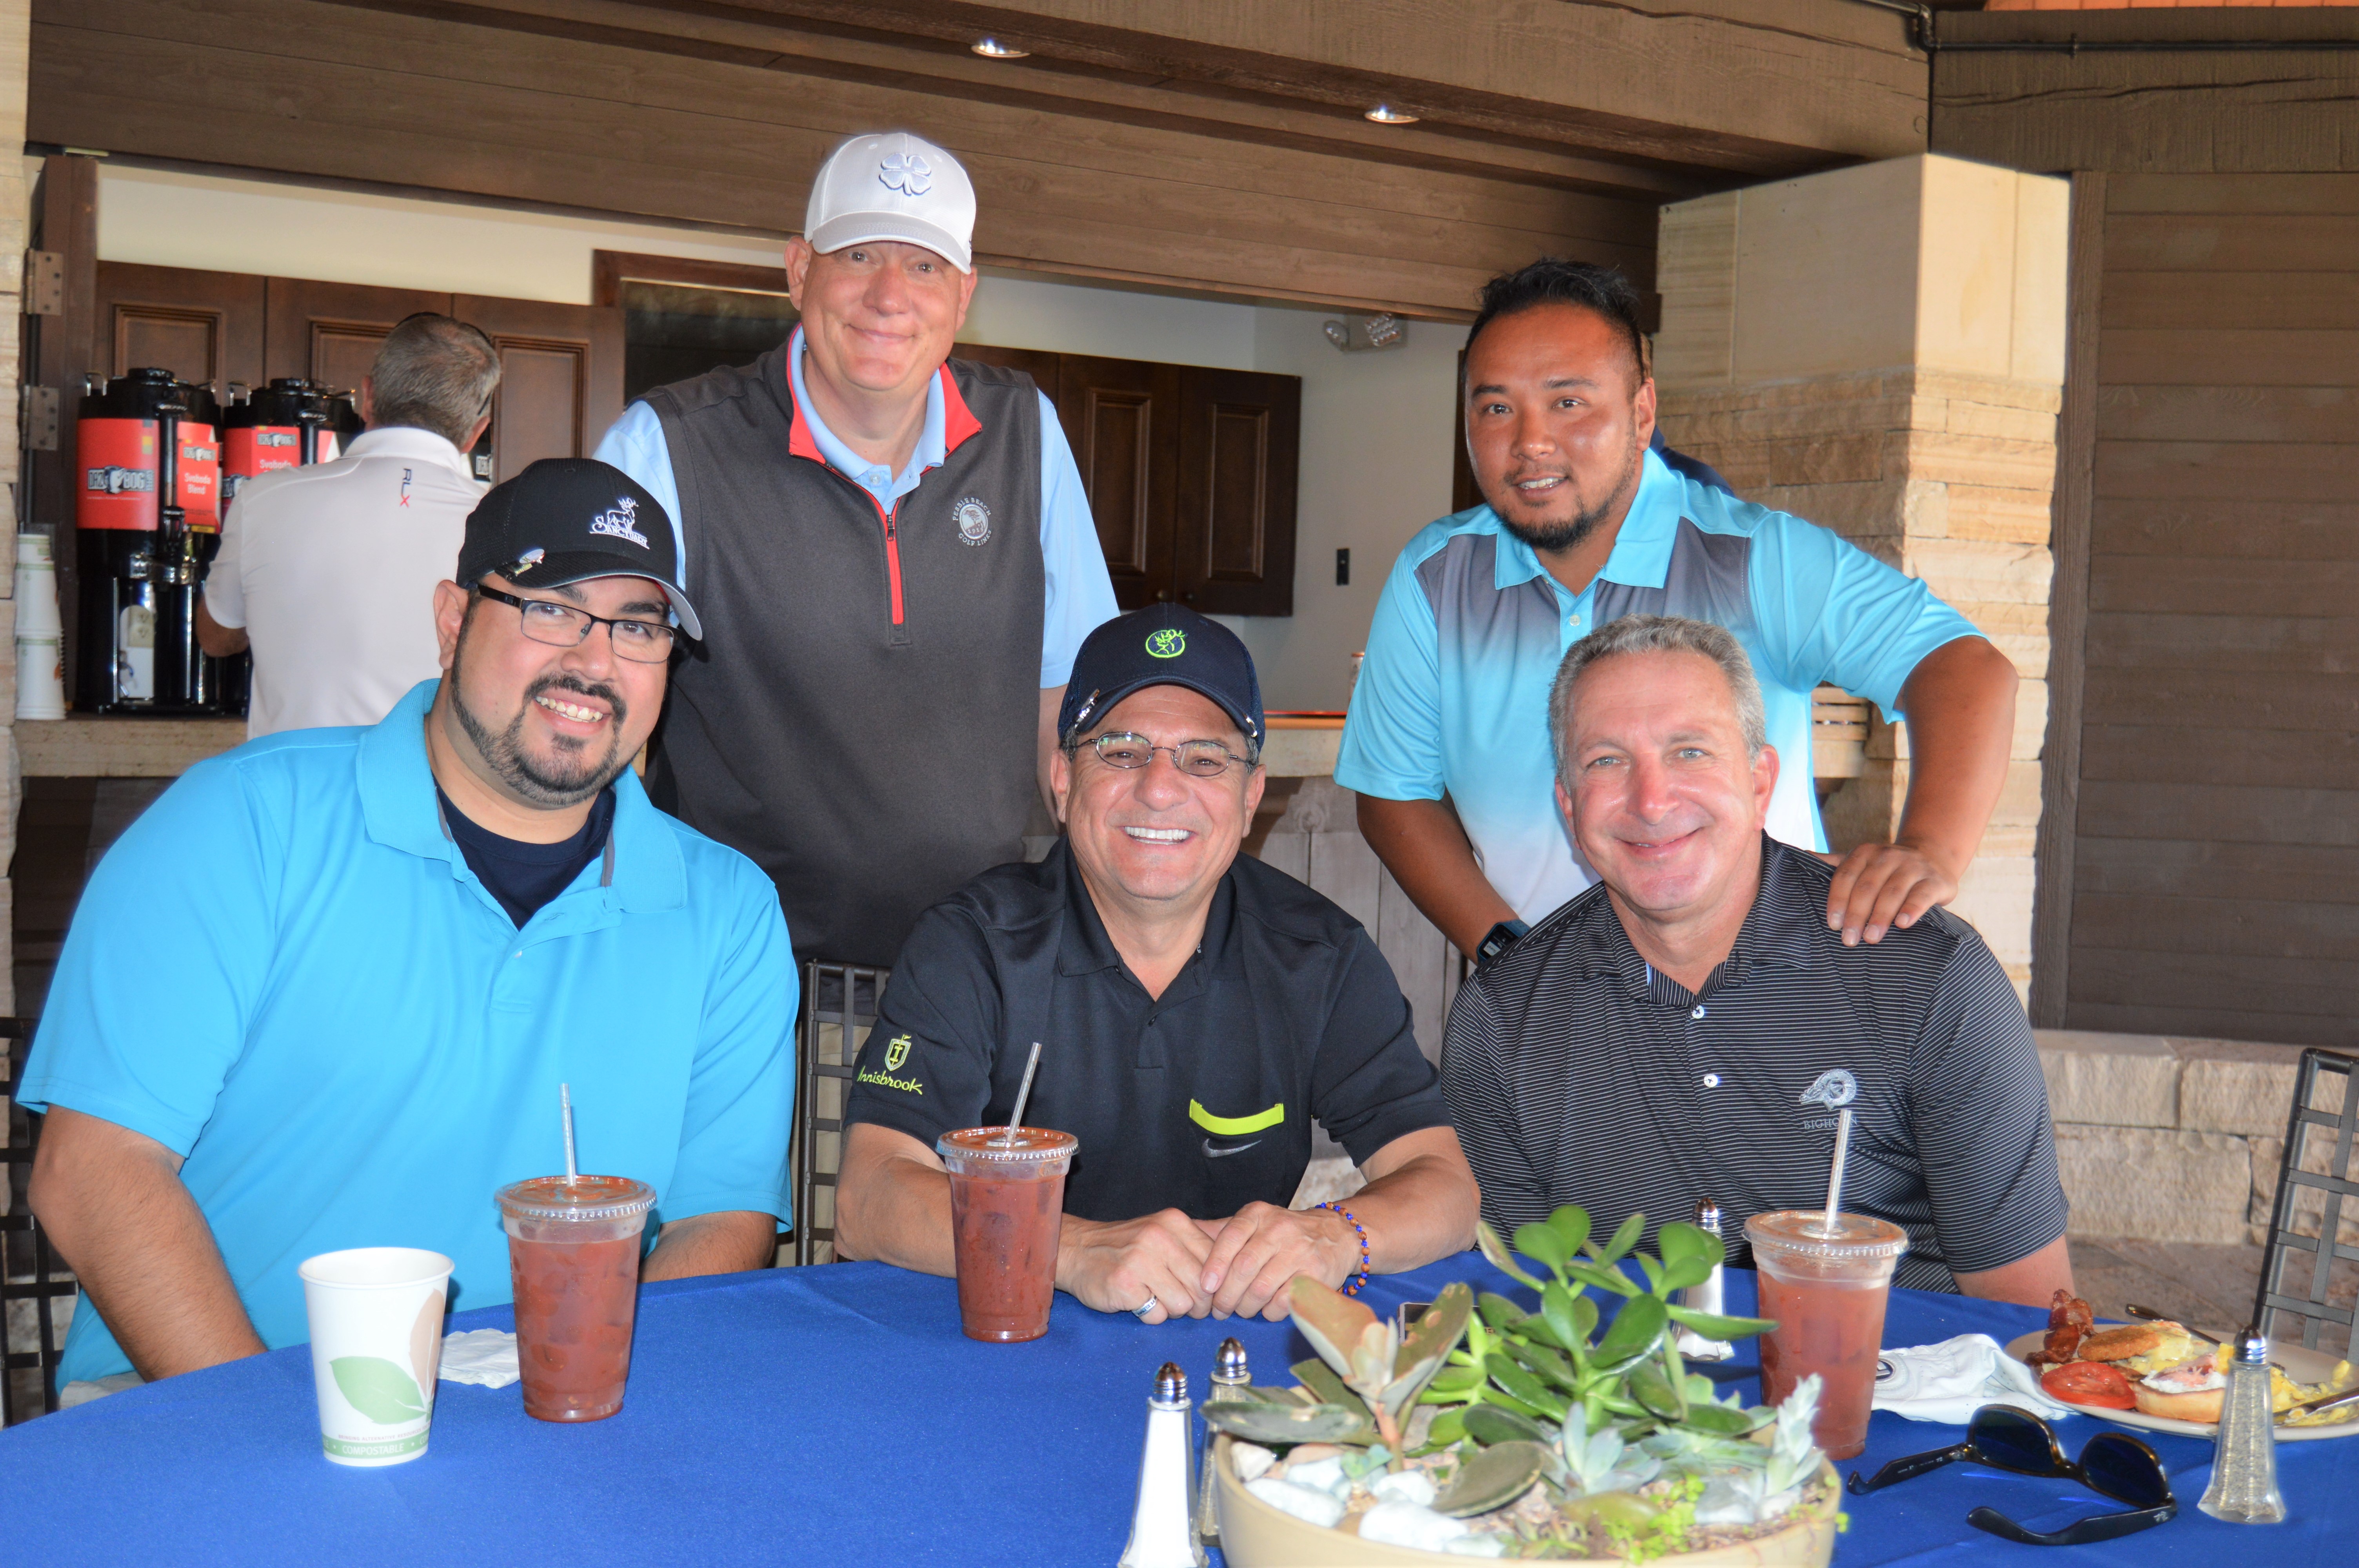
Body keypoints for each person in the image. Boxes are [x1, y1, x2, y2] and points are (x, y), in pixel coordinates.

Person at [24, 459, 795, 1394]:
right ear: (452, 620)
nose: (595, 663)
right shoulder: (243, 823)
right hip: (201, 1398)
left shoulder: (728, 911)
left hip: (555, 1411)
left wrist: (592, 1405)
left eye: (637, 626)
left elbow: (722, 1218)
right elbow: (94, 1169)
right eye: (550, 608)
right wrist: (271, 1433)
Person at [1341, 259, 2021, 969]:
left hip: (1768, 996)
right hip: (1559, 1006)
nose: (1531, 442)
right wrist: (1512, 959)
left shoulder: (1753, 558)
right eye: (1496, 409)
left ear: (1642, 413)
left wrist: (1929, 850)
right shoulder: (1435, 577)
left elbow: (1963, 667)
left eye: (1568, 402)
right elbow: (1393, 794)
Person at [833, 606, 1479, 1323]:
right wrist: (1075, 1250)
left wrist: (1335, 1235)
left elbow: (1446, 1184)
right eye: (1121, 751)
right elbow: (868, 1199)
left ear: (1251, 797)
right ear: (1063, 780)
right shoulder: (972, 945)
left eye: (1204, 759)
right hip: (998, 1339)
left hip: (1221, 1350)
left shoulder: (1319, 955)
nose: (1161, 788)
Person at [594, 130, 1119, 967]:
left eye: (924, 267)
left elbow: (1072, 701)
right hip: (739, 973)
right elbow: (599, 700)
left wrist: (1102, 931)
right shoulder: (666, 445)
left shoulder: (1027, 431)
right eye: (860, 256)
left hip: (974, 971)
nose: (889, 296)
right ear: (799, 269)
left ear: (964, 293)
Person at [1440, 615, 2070, 1305]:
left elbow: (2028, 1320)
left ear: (1760, 780)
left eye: (1690, 752)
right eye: (1606, 761)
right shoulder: (1503, 1019)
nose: (1652, 801)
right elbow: (1525, 1304)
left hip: (1893, 1368)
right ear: (1569, 806)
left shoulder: (1925, 975)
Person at [198, 313, 500, 737]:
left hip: (291, 776)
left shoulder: (262, 497)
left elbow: (216, 638)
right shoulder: (506, 523)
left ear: (367, 397)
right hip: (426, 776)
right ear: (476, 432)